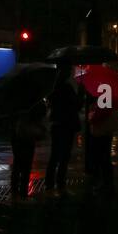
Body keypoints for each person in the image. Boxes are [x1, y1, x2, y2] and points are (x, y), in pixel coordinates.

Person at [45, 62, 80, 191]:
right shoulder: (67, 88)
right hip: (67, 125)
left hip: (57, 125)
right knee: (64, 156)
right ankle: (60, 182)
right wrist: (80, 94)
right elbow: (76, 106)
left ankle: (49, 183)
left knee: (54, 156)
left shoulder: (53, 88)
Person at [10, 98, 47, 198]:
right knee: (25, 166)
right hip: (26, 137)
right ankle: (22, 192)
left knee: (18, 164)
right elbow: (42, 112)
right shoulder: (33, 102)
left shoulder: (14, 102)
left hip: (18, 136)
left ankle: (15, 190)